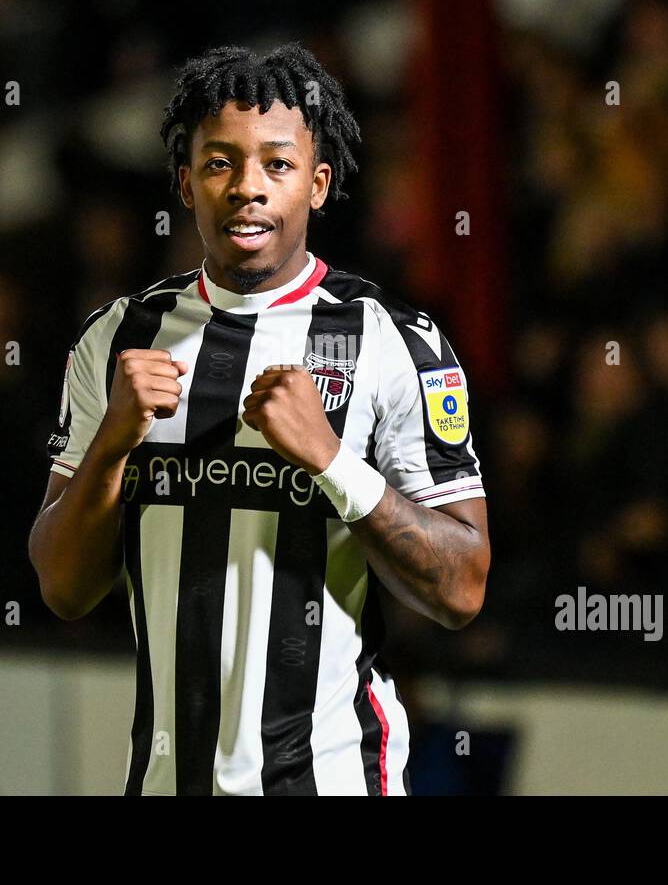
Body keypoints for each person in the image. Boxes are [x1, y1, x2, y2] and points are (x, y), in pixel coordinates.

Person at [28, 43, 491, 796]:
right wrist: (112, 446)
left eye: (277, 165)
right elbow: (63, 587)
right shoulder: (118, 338)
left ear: (318, 183)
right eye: (219, 163)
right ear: (184, 182)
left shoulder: (392, 341)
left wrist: (333, 462)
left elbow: (462, 589)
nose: (247, 187)